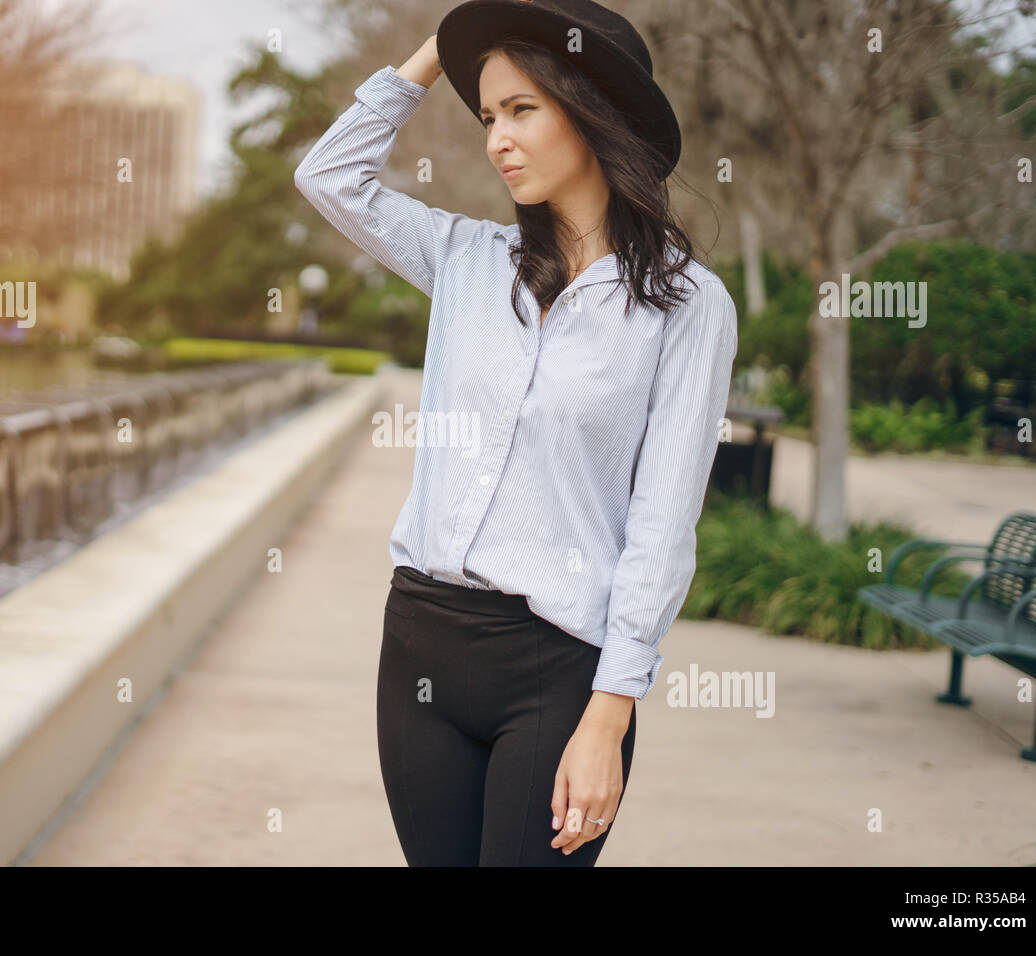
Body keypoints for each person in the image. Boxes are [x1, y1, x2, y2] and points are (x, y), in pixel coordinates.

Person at [294, 0, 738, 866]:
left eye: (522, 110)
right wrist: (442, 47)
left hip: (557, 670)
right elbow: (329, 177)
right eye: (487, 114)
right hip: (421, 639)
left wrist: (611, 711)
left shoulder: (685, 306)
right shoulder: (466, 260)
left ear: (592, 109)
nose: (496, 138)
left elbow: (663, 523)